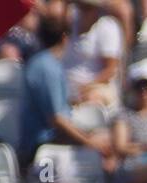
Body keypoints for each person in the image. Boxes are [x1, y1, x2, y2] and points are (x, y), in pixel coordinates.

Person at [19, 9, 115, 167]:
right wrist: (88, 142)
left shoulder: (46, 64)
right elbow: (57, 119)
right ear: (64, 38)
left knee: (104, 139)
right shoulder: (47, 67)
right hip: (43, 146)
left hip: (51, 137)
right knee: (102, 144)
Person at [62, 0, 122, 108]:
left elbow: (110, 70)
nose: (83, 11)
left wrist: (85, 87)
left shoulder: (107, 27)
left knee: (91, 99)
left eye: (87, 7)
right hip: (66, 85)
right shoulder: (71, 24)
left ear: (97, 9)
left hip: (96, 86)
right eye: (80, 6)